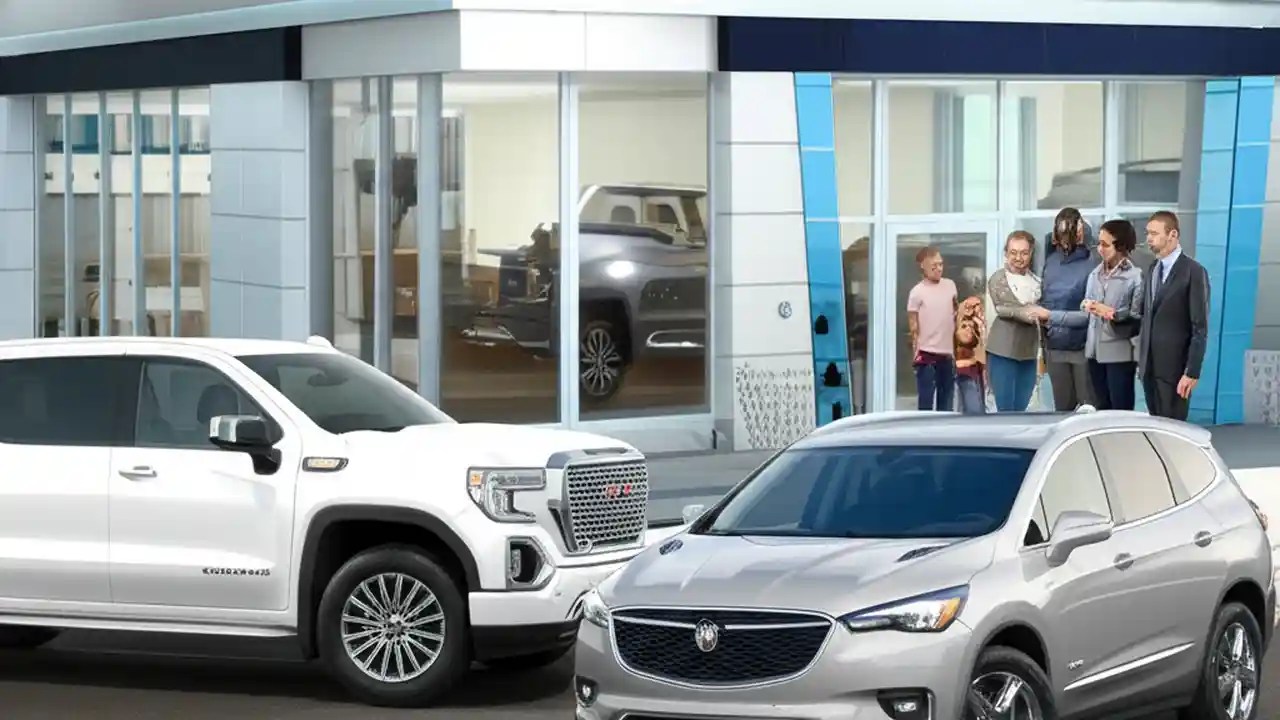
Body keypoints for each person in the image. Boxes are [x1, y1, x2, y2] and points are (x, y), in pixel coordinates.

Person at [1136, 210, 1209, 421]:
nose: (1148, 238)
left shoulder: (1193, 272)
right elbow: (1146, 315)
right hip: (1149, 368)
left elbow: (1200, 327)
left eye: (1154, 233)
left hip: (1175, 371)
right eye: (1147, 233)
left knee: (1173, 431)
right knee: (1156, 431)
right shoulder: (1152, 269)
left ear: (1173, 235)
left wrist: (1192, 371)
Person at [1028, 207, 1099, 410]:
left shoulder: (1092, 262)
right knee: (1062, 410)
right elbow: (1047, 295)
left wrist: (1051, 316)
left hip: (1083, 349)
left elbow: (1090, 314)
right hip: (1055, 347)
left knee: (1088, 409)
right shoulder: (1051, 260)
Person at [1082, 219, 1144, 410]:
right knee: (1100, 410)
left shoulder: (1135, 276)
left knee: (1120, 411)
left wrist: (1112, 313)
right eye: (1098, 243)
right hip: (1094, 351)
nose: (1100, 249)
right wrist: (1088, 305)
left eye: (1105, 245)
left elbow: (1138, 316)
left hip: (1119, 353)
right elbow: (1088, 302)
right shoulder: (1095, 274)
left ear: (1121, 246)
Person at [985, 231, 1042, 411]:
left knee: (1022, 406)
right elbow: (1002, 307)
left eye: (1024, 253)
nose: (1018, 258)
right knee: (1005, 408)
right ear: (1006, 253)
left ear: (1031, 253)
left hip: (1028, 351)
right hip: (1003, 351)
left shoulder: (1037, 281)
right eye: (1013, 252)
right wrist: (1029, 312)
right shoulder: (998, 278)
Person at [907, 246, 958, 411]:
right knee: (926, 402)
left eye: (941, 265)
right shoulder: (917, 292)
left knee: (947, 402)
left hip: (947, 354)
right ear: (923, 265)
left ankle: (944, 435)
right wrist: (915, 354)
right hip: (926, 355)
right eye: (934, 266)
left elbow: (956, 315)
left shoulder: (950, 286)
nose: (938, 269)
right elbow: (913, 326)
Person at [954, 295, 988, 415]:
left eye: (971, 327)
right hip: (961, 372)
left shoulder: (979, 328)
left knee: (977, 409)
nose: (968, 329)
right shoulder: (957, 322)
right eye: (964, 326)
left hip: (975, 370)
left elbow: (982, 344)